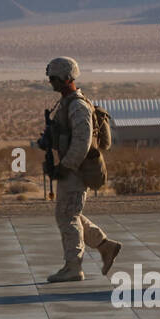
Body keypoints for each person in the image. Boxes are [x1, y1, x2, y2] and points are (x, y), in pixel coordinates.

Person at [43, 57, 122, 282]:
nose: (51, 82)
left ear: (67, 78)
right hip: (72, 168)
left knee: (68, 215)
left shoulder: (77, 105)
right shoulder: (67, 103)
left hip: (76, 170)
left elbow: (83, 140)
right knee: (68, 213)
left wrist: (65, 167)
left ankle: (73, 267)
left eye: (54, 78)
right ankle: (105, 246)